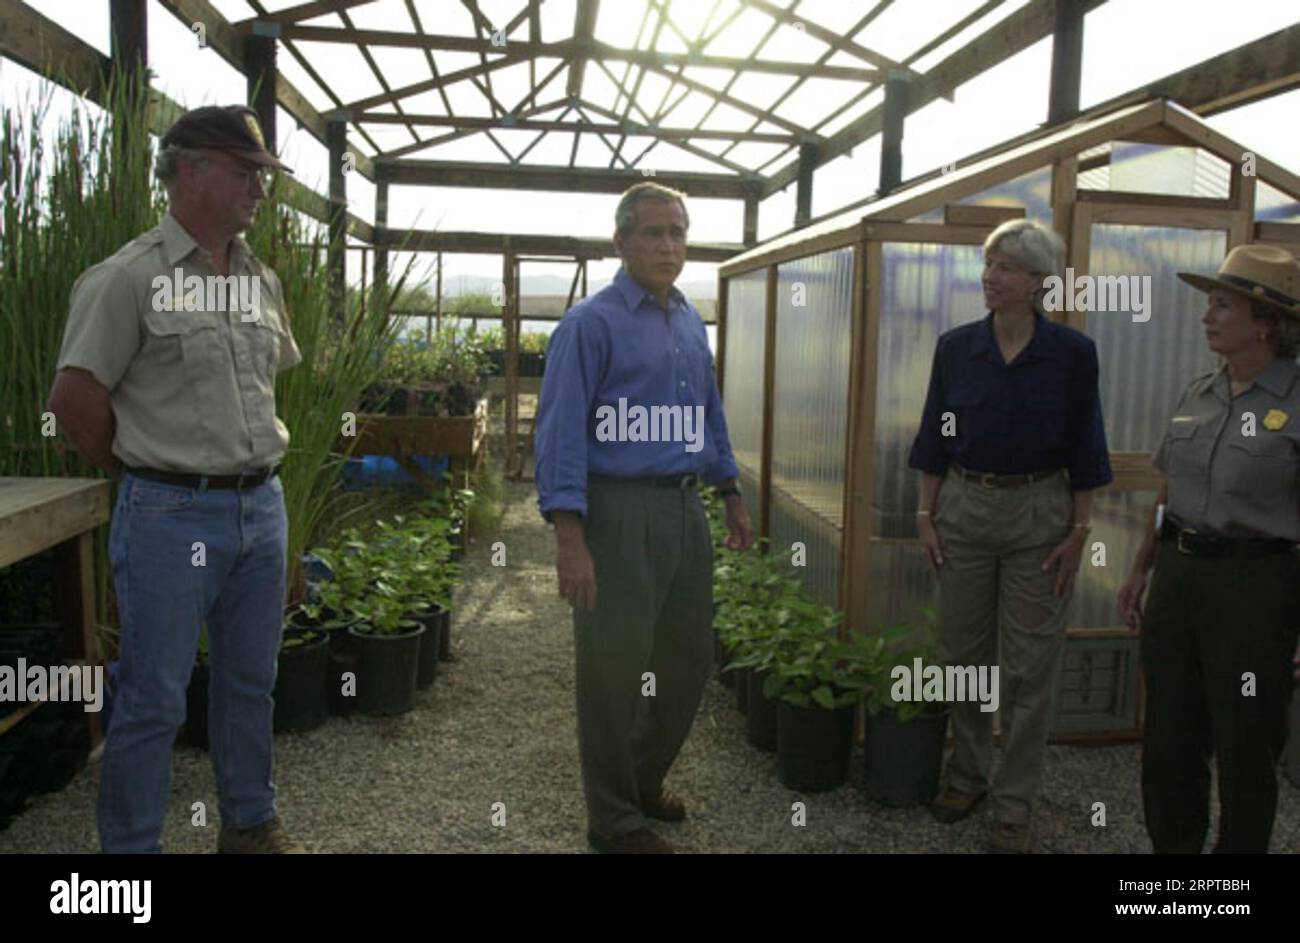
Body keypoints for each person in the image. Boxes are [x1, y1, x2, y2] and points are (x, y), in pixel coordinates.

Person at [48, 106, 305, 853]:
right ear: (189, 170)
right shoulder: (128, 279)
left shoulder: (259, 279)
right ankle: (129, 858)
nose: (261, 186)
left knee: (250, 683)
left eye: (264, 173)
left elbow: (262, 389)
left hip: (261, 505)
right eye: (246, 171)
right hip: (168, 513)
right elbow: (72, 401)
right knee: (153, 696)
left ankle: (250, 823)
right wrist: (145, 477)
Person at [535, 182, 754, 854]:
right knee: (612, 669)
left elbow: (708, 413)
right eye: (653, 233)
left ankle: (642, 776)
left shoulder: (689, 317)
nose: (667, 245)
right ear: (622, 242)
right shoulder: (589, 325)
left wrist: (730, 490)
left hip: (684, 505)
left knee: (687, 658)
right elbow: (561, 431)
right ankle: (613, 819)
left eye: (678, 232)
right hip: (618, 510)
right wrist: (571, 537)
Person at [908, 218, 1113, 853]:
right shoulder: (956, 348)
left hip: (1039, 514)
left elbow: (1086, 445)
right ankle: (966, 775)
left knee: (1028, 668)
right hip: (966, 508)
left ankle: (1015, 802)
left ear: (1037, 282)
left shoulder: (1072, 356)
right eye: (989, 263)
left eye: (1006, 267)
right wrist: (926, 515)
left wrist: (1081, 530)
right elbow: (935, 435)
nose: (990, 276)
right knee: (963, 657)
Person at [1118, 244, 1300, 854]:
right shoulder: (1198, 393)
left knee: (1246, 743)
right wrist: (1140, 568)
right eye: (1209, 305)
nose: (1207, 316)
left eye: (1223, 306)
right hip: (1179, 578)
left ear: (1266, 321)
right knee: (1169, 738)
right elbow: (1169, 491)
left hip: (1256, 591)